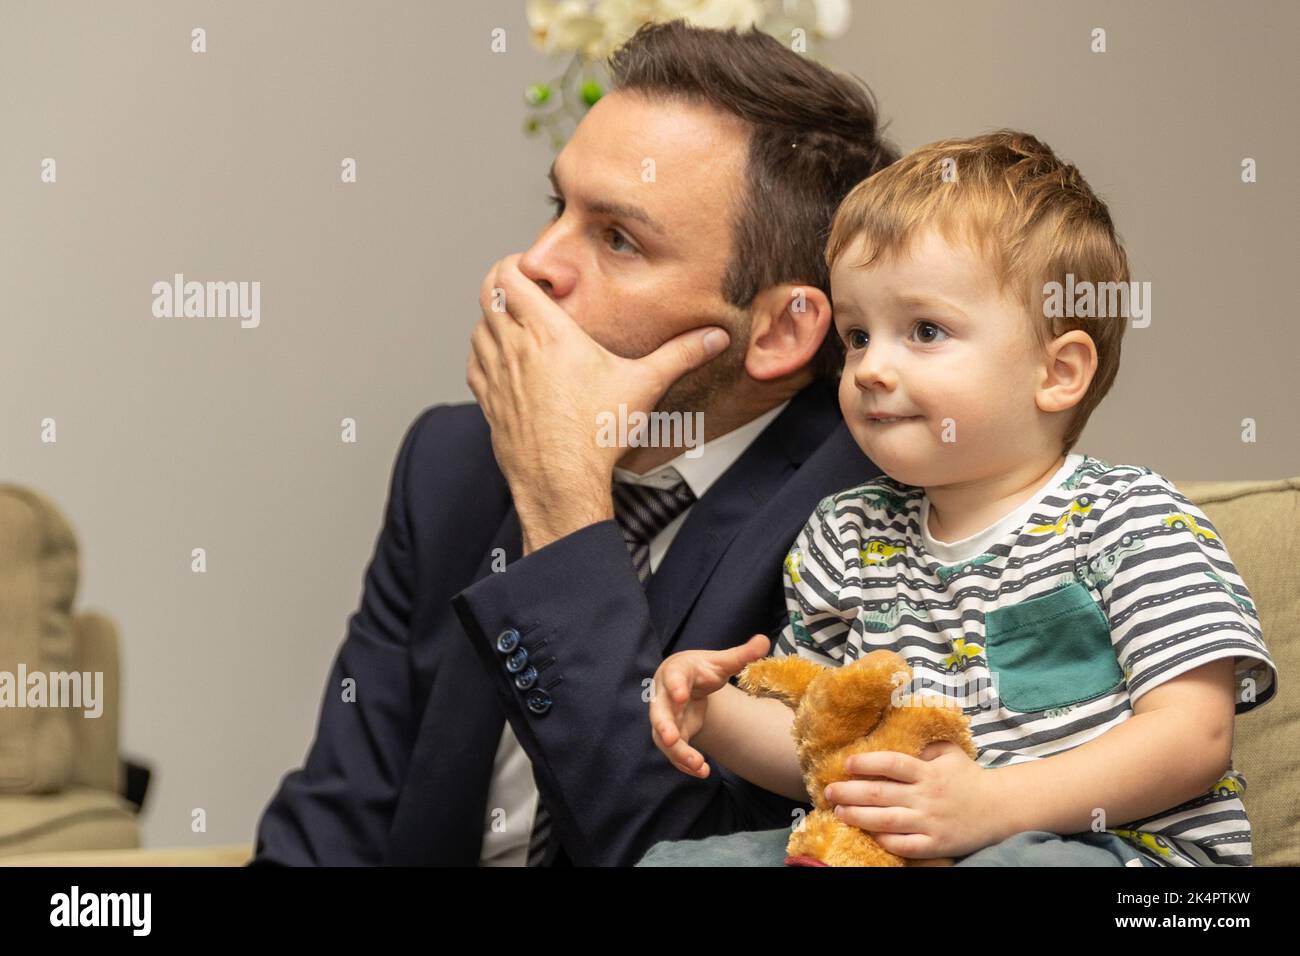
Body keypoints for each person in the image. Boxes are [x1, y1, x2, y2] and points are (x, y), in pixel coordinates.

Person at [250, 20, 900, 866]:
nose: (532, 265)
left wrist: (561, 509)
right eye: (559, 208)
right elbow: (330, 834)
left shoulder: (867, 520)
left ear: (778, 331)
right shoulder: (453, 464)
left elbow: (675, 854)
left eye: (619, 238)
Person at [642, 131, 1279, 867]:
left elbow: (1192, 736)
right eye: (856, 335)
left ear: (1058, 372)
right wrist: (712, 714)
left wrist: (991, 808)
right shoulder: (843, 534)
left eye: (925, 330)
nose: (873, 367)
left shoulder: (1130, 518)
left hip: (1119, 854)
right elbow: (821, 748)